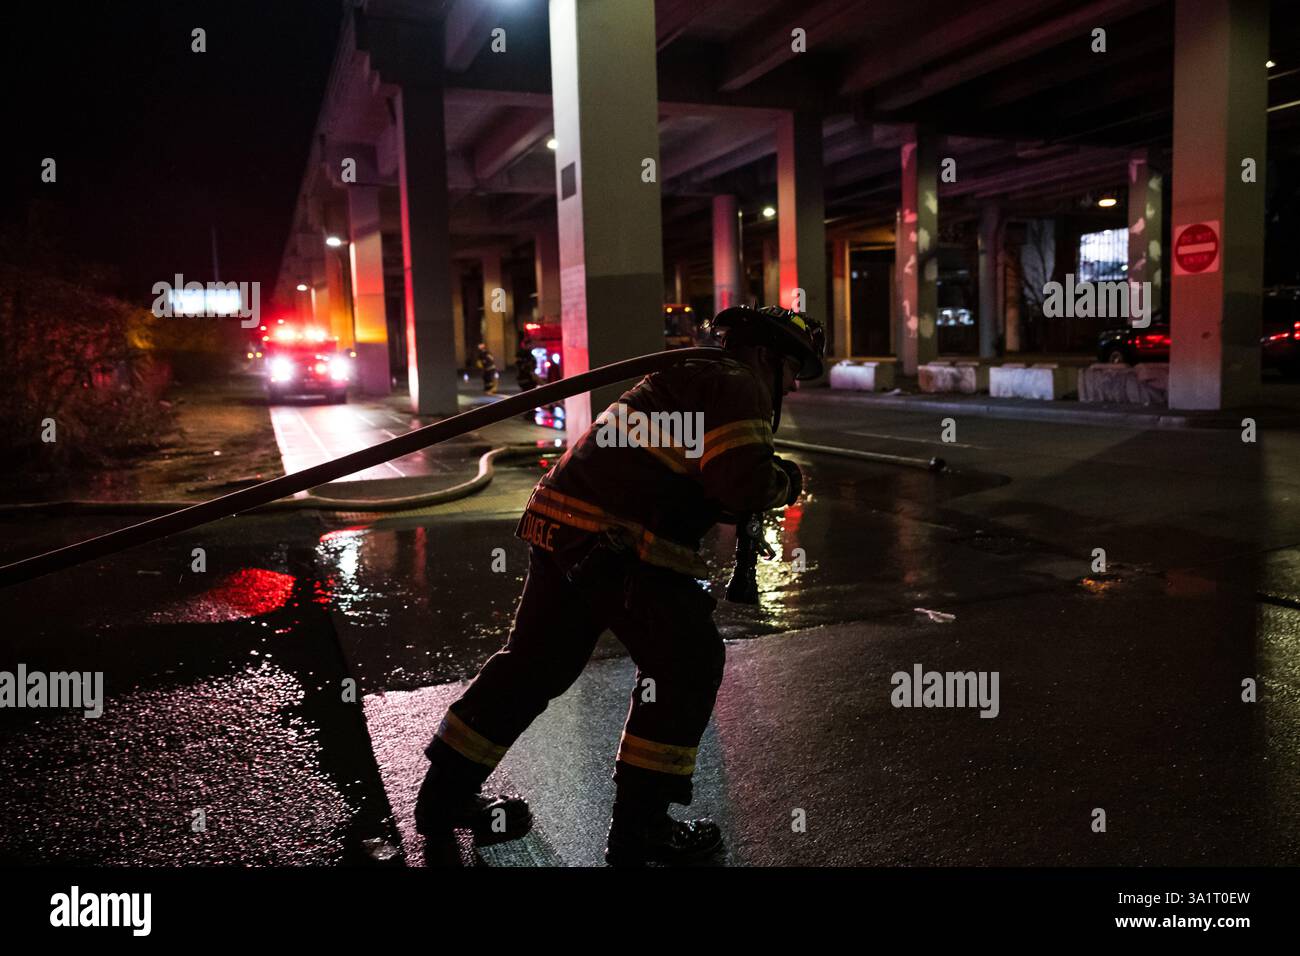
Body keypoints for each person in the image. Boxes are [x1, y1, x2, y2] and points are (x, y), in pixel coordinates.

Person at [415, 305, 825, 866]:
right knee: (687, 666)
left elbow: (707, 478)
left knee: (534, 665)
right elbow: (742, 483)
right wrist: (785, 482)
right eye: (792, 369)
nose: (794, 384)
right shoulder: (737, 382)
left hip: (564, 524)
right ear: (763, 355)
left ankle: (443, 799)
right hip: (619, 543)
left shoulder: (687, 375)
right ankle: (642, 830)